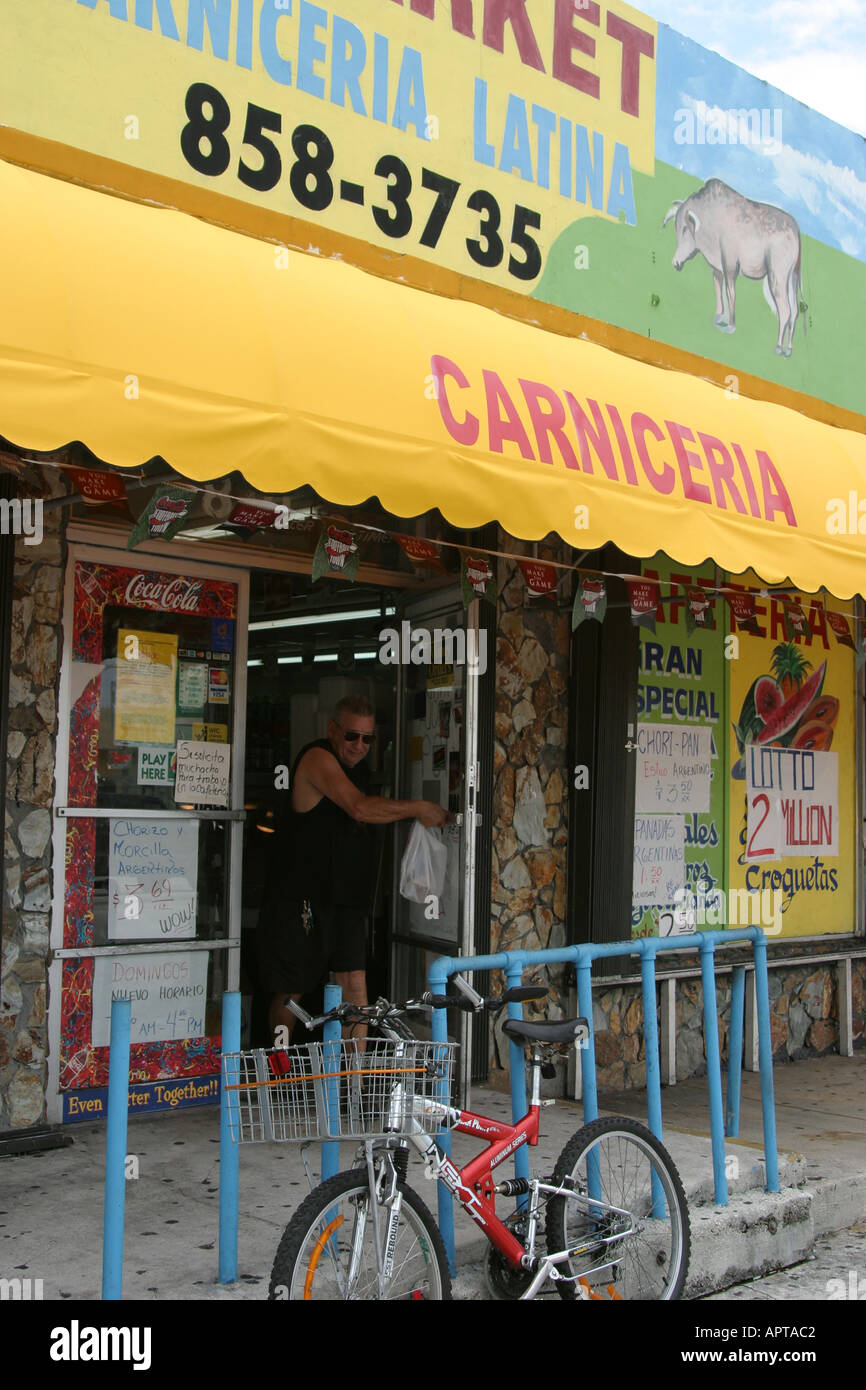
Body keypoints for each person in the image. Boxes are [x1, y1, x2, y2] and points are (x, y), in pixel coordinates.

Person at [257, 694, 446, 1043]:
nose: (359, 745)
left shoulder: (359, 770)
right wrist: (419, 807)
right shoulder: (317, 758)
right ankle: (277, 1069)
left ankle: (356, 1083)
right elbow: (359, 809)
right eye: (351, 736)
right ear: (332, 730)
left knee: (355, 984)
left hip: (345, 897)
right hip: (303, 898)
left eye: (367, 738)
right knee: (292, 988)